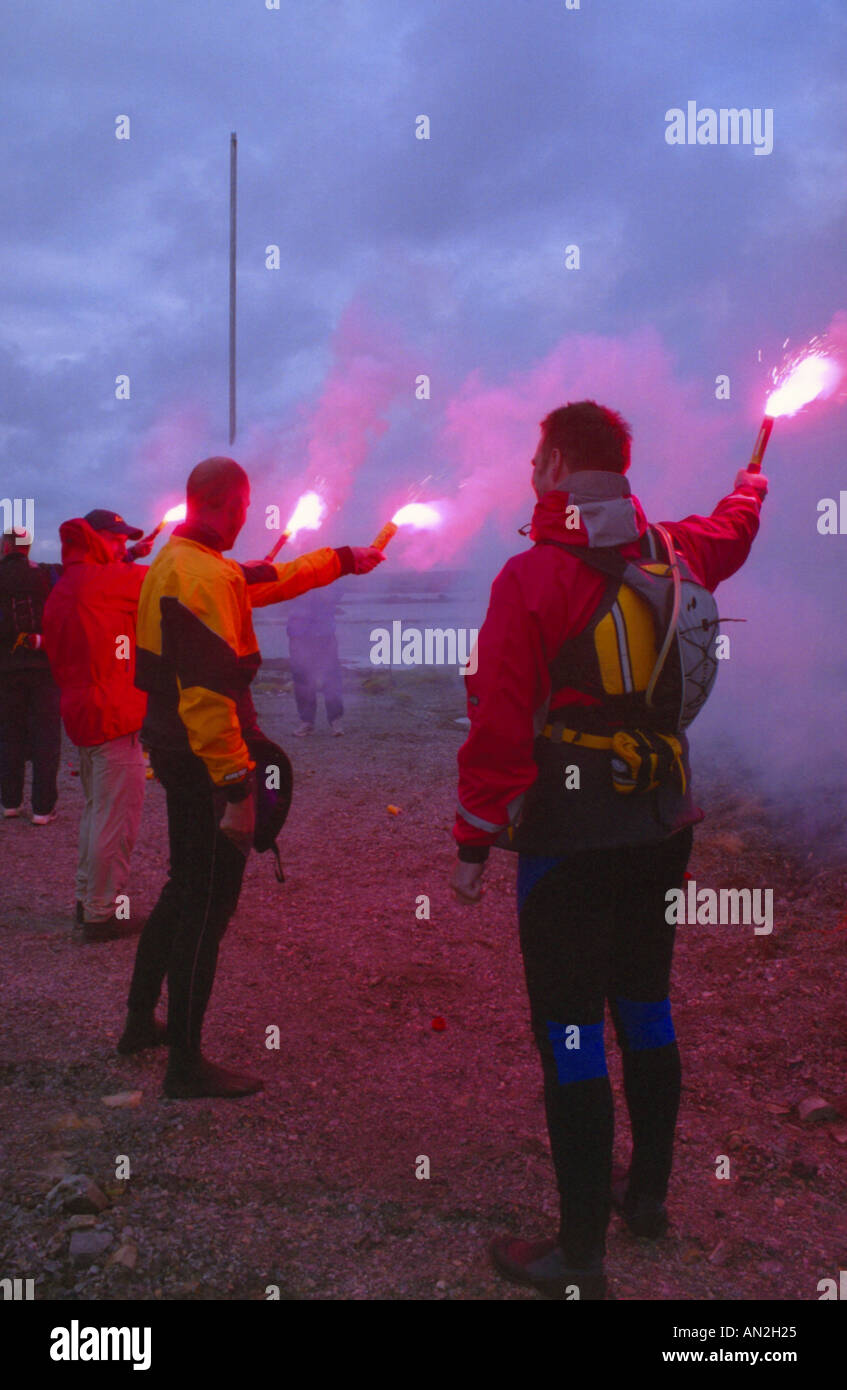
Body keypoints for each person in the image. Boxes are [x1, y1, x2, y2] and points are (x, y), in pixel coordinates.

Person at [450, 400, 767, 1300]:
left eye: (532, 455)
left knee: (572, 1028)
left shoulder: (530, 577)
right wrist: (753, 485)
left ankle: (578, 1255)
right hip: (664, 823)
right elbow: (730, 530)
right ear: (620, 467)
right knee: (645, 1005)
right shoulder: (672, 552)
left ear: (551, 463)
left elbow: (501, 721)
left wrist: (473, 842)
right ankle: (649, 1201)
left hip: (568, 834)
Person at [120, 457, 384, 1099]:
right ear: (223, 503)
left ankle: (137, 1024)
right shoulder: (199, 575)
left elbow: (271, 578)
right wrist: (238, 790)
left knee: (184, 887)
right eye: (243, 507)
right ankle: (185, 1062)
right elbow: (209, 695)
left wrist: (343, 558)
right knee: (206, 906)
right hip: (201, 760)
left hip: (176, 750)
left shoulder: (185, 562)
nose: (248, 518)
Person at [42, 511, 150, 942]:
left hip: (83, 710)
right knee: (116, 818)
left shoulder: (69, 584)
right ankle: (103, 914)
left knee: (97, 810)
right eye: (119, 541)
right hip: (114, 712)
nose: (124, 547)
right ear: (100, 540)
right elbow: (166, 579)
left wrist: (123, 559)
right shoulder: (104, 583)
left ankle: (88, 900)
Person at [0, 527, 62, 823]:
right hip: (43, 666)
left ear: (5, 547)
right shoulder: (48, 574)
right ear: (28, 547)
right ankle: (42, 808)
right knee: (45, 737)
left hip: (5, 670)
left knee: (9, 735)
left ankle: (10, 802)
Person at [286, 585, 345, 736]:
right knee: (302, 678)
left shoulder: (329, 573)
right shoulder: (296, 573)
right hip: (299, 634)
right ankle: (307, 721)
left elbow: (337, 592)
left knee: (331, 676)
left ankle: (335, 719)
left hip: (323, 633)